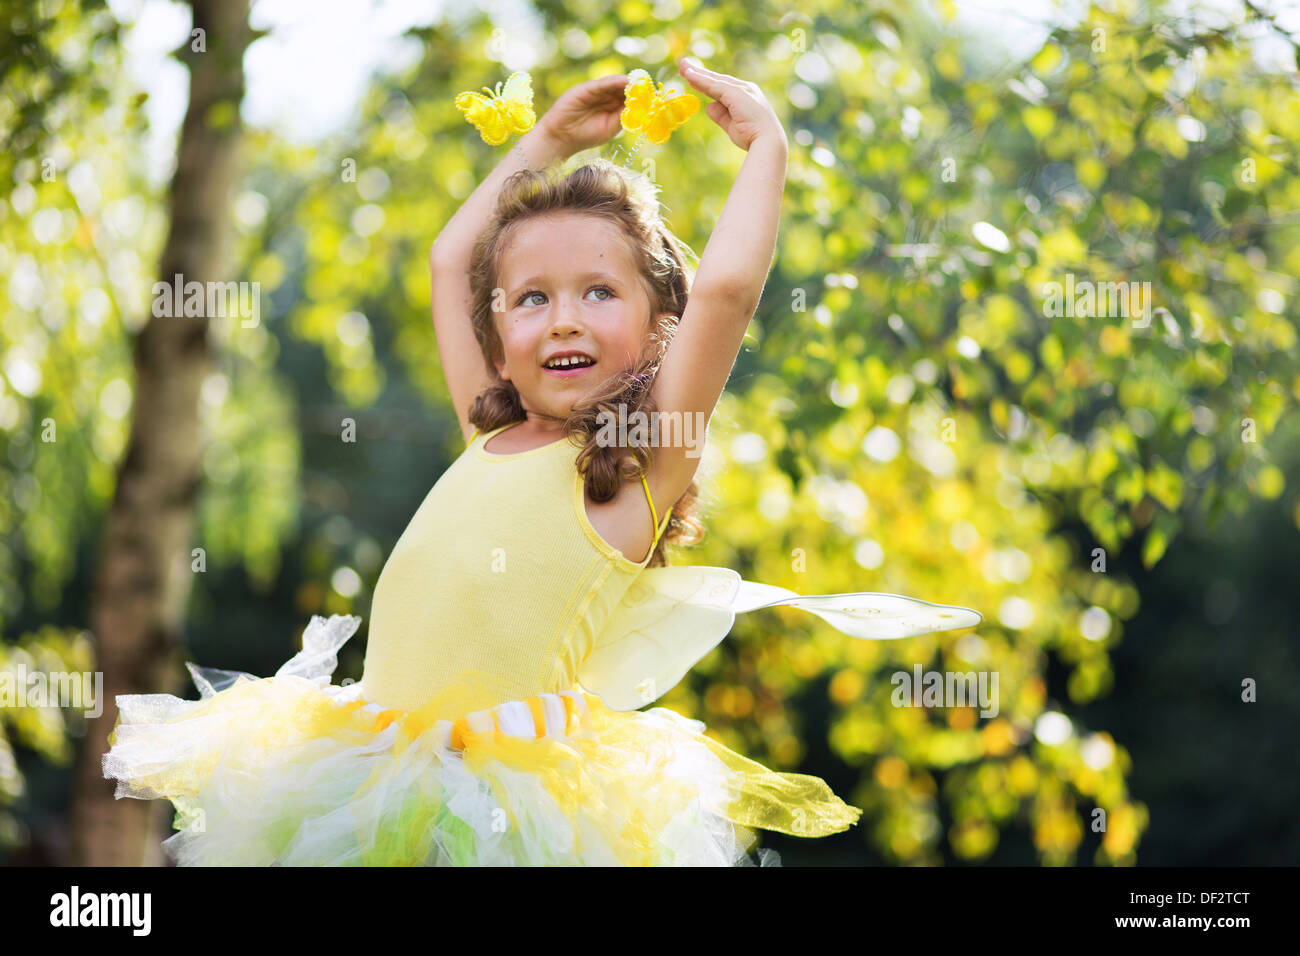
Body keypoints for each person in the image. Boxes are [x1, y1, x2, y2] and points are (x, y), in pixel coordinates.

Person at [102, 59, 981, 865]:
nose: (563, 319)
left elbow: (726, 289)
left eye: (600, 292)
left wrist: (767, 149)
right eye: (532, 299)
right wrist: (550, 142)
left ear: (656, 328)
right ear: (499, 332)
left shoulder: (641, 465)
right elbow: (454, 261)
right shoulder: (487, 430)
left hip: (500, 806)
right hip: (363, 766)